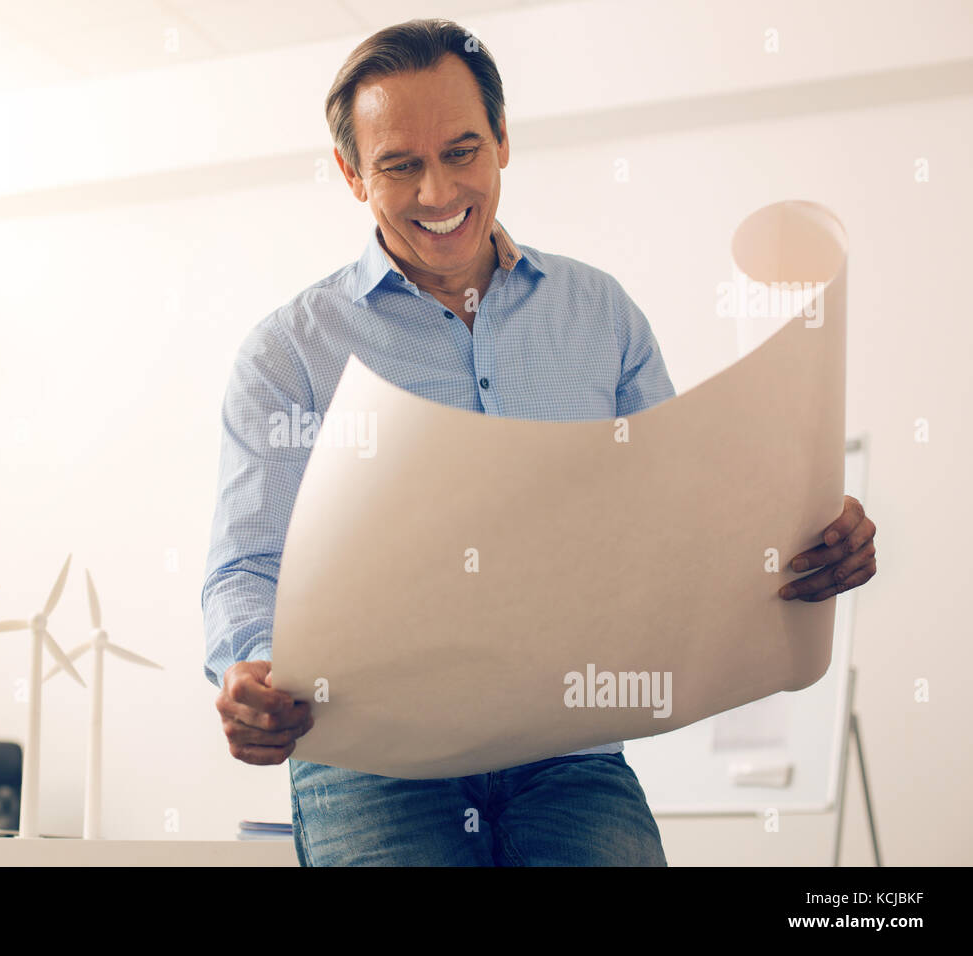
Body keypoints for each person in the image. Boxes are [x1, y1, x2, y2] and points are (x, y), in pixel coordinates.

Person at [200, 18, 878, 866]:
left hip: (571, 751)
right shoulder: (288, 352)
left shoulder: (600, 316)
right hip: (371, 759)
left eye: (462, 151)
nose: (439, 191)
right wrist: (251, 670)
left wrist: (806, 541)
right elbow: (245, 565)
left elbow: (683, 521)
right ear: (350, 175)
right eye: (400, 165)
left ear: (503, 143)